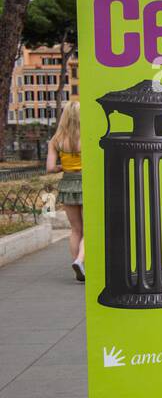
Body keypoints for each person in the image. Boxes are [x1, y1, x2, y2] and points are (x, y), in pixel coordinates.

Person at [46, 100, 84, 282]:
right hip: (86, 182)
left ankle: (78, 264)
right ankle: (80, 260)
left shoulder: (56, 140)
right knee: (90, 229)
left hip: (67, 184)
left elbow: (50, 168)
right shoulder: (87, 136)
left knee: (76, 229)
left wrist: (63, 167)